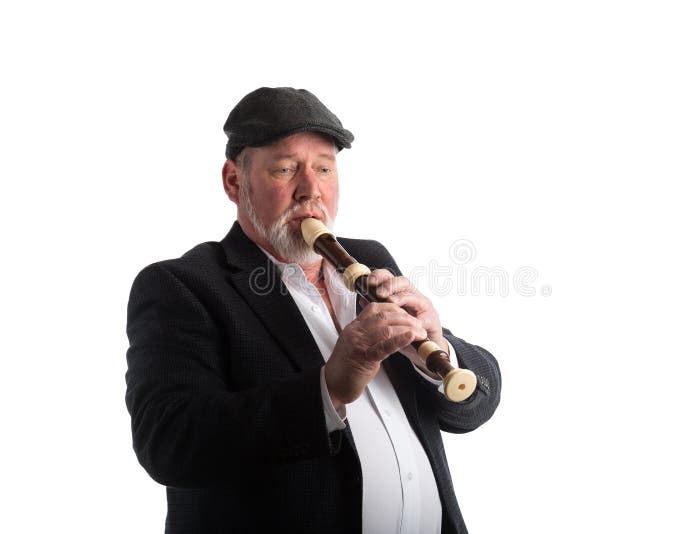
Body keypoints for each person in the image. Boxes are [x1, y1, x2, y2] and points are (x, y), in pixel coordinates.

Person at [125, 87, 501, 534]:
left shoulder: (370, 257)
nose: (311, 190)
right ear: (233, 181)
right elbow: (170, 443)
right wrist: (328, 389)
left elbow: (474, 406)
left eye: (324, 168)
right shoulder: (183, 285)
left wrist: (439, 350)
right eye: (285, 169)